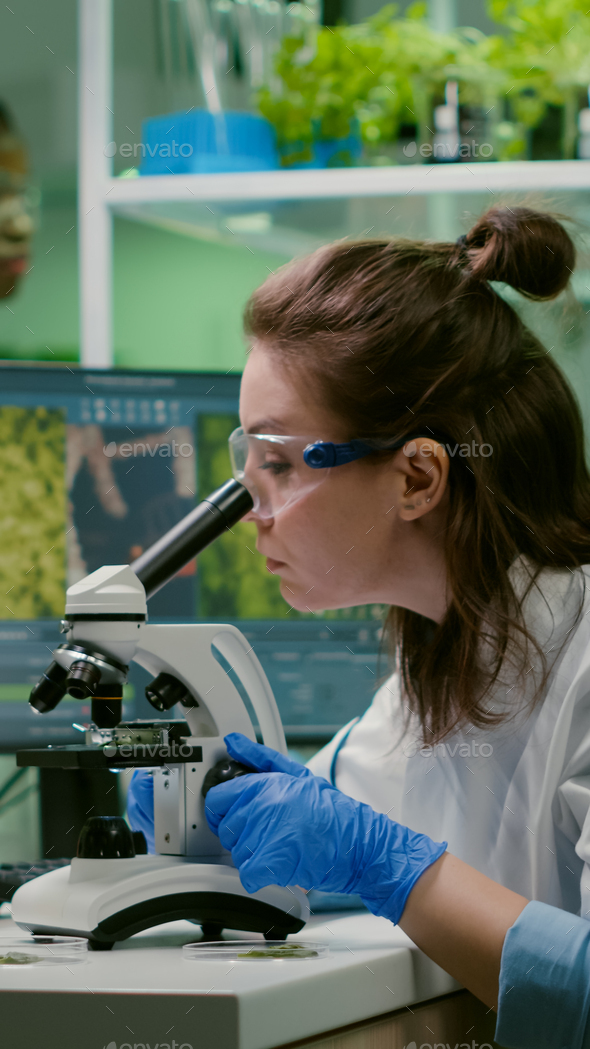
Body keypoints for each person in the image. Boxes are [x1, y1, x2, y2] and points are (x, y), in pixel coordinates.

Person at [127, 204, 590, 1040]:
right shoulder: (434, 664)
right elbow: (320, 825)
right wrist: (201, 813)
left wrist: (391, 868)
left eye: (276, 463)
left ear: (417, 477)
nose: (249, 510)